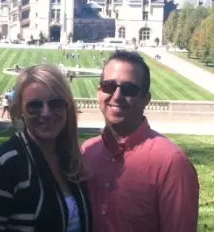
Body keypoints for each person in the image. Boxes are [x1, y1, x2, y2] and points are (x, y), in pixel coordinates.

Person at [0, 64, 92, 231]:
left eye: (56, 103)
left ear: (67, 108)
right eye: (35, 105)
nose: (46, 113)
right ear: (20, 111)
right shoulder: (1, 167)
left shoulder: (71, 162)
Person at [81, 50, 199, 232]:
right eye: (108, 86)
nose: (117, 96)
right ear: (99, 92)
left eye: (129, 89)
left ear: (146, 99)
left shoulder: (171, 162)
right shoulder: (88, 152)